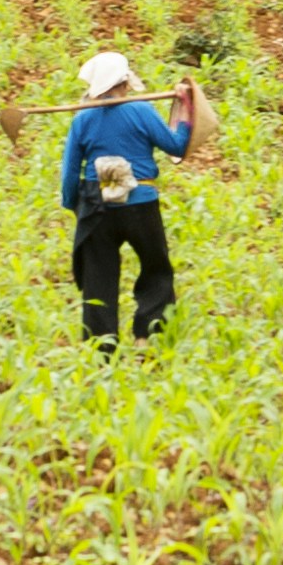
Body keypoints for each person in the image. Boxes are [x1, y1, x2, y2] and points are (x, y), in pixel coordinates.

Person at [54, 48, 203, 347]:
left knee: (99, 275)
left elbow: (70, 174)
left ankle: (102, 344)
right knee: (155, 266)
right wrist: (185, 114)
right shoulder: (142, 110)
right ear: (124, 81)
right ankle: (147, 336)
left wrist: (75, 205)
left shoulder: (83, 120)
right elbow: (175, 146)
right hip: (141, 204)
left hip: (98, 206)